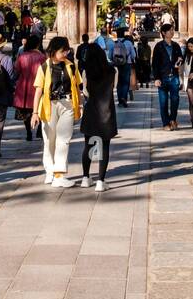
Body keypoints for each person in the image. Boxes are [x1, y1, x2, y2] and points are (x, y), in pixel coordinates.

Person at [32, 36, 82, 187]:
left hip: (67, 104)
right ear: (54, 51)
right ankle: (50, 170)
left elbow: (77, 87)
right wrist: (35, 113)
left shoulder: (71, 66)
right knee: (49, 140)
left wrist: (79, 105)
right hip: (49, 105)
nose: (65, 53)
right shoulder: (44, 67)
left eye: (67, 50)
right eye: (62, 51)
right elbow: (38, 90)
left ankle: (59, 174)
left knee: (64, 139)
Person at [79, 43, 118, 192]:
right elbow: (114, 87)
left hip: (91, 109)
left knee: (89, 144)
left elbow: (86, 93)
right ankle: (101, 181)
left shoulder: (86, 72)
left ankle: (85, 177)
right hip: (106, 109)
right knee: (105, 146)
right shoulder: (112, 71)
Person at [12, 34, 46, 144]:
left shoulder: (22, 57)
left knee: (26, 112)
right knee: (39, 109)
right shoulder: (42, 57)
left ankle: (28, 133)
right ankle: (40, 130)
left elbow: (16, 71)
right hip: (38, 87)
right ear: (38, 44)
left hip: (24, 87)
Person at [151, 24, 184, 130]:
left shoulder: (176, 45)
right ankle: (166, 123)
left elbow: (180, 58)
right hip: (162, 77)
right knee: (163, 101)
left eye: (172, 30)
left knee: (175, 100)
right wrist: (156, 78)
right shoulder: (159, 46)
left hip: (174, 76)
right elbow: (155, 63)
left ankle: (173, 119)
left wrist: (179, 61)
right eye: (169, 31)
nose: (172, 32)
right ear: (164, 33)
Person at [111, 27, 136, 106]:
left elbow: (110, 55)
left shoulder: (114, 43)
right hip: (127, 63)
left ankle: (119, 99)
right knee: (126, 82)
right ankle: (124, 98)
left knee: (119, 82)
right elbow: (134, 55)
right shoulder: (128, 43)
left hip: (118, 65)